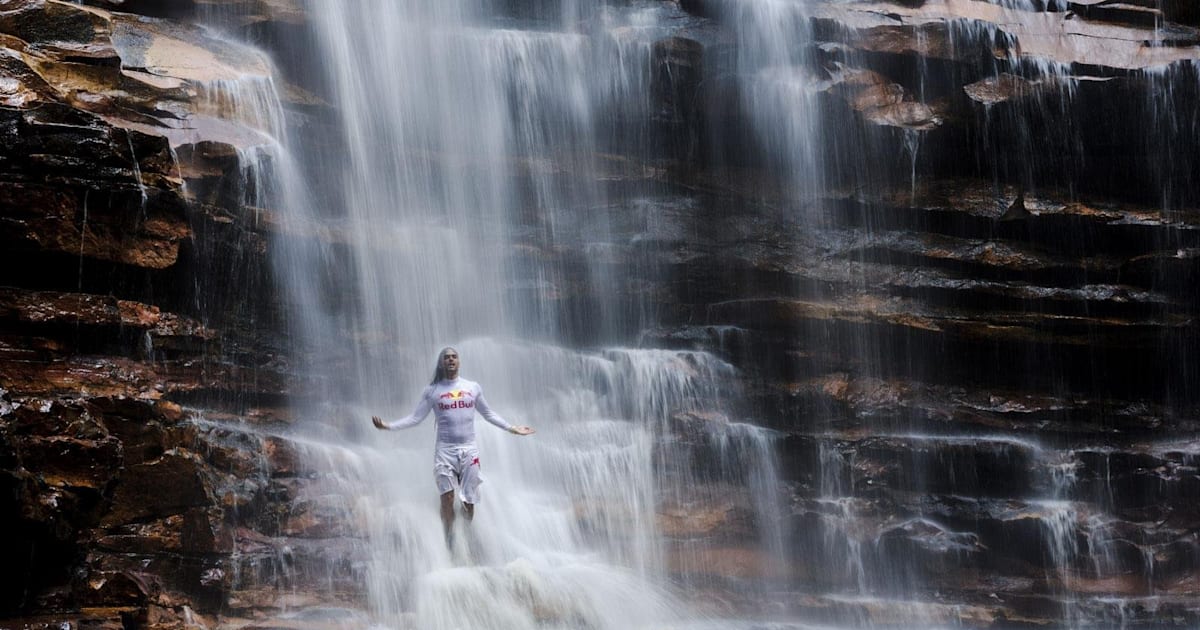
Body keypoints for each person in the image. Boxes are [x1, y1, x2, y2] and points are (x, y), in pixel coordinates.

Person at [371, 347, 535, 546]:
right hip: (445, 451)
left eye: (454, 357)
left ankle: (466, 535)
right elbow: (415, 418)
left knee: (468, 502)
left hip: (469, 450)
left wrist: (512, 428)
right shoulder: (432, 391)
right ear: (441, 363)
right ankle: (449, 537)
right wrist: (388, 426)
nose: (450, 360)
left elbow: (488, 414)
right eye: (446, 357)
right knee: (447, 498)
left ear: (459, 361)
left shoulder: (472, 388)